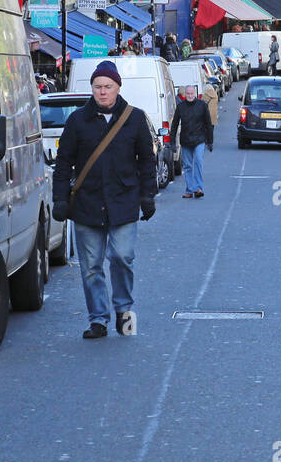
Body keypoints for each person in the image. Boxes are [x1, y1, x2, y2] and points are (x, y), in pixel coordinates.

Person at [52, 60, 158, 339]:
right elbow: (64, 163)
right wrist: (60, 199)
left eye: (108, 87)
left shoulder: (134, 118)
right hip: (87, 204)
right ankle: (98, 319)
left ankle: (124, 310)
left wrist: (148, 196)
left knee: (123, 257)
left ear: (118, 87)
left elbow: (147, 160)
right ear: (92, 89)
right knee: (91, 266)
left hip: (123, 201)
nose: (102, 92)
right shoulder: (77, 121)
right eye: (97, 87)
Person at [172, 84, 213, 199]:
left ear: (195, 94)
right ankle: (189, 190)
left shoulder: (202, 105)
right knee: (188, 166)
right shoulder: (180, 107)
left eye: (192, 93)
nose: (190, 96)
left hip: (199, 139)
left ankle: (199, 188)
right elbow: (174, 125)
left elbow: (208, 124)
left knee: (198, 162)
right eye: (188, 94)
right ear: (185, 95)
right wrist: (172, 143)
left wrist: (210, 141)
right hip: (185, 140)